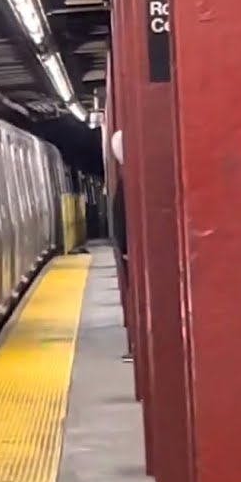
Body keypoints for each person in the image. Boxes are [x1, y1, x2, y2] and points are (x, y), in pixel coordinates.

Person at [110, 130, 133, 363]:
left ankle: (136, 345)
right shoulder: (128, 180)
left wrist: (125, 247)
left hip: (131, 254)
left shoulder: (129, 182)